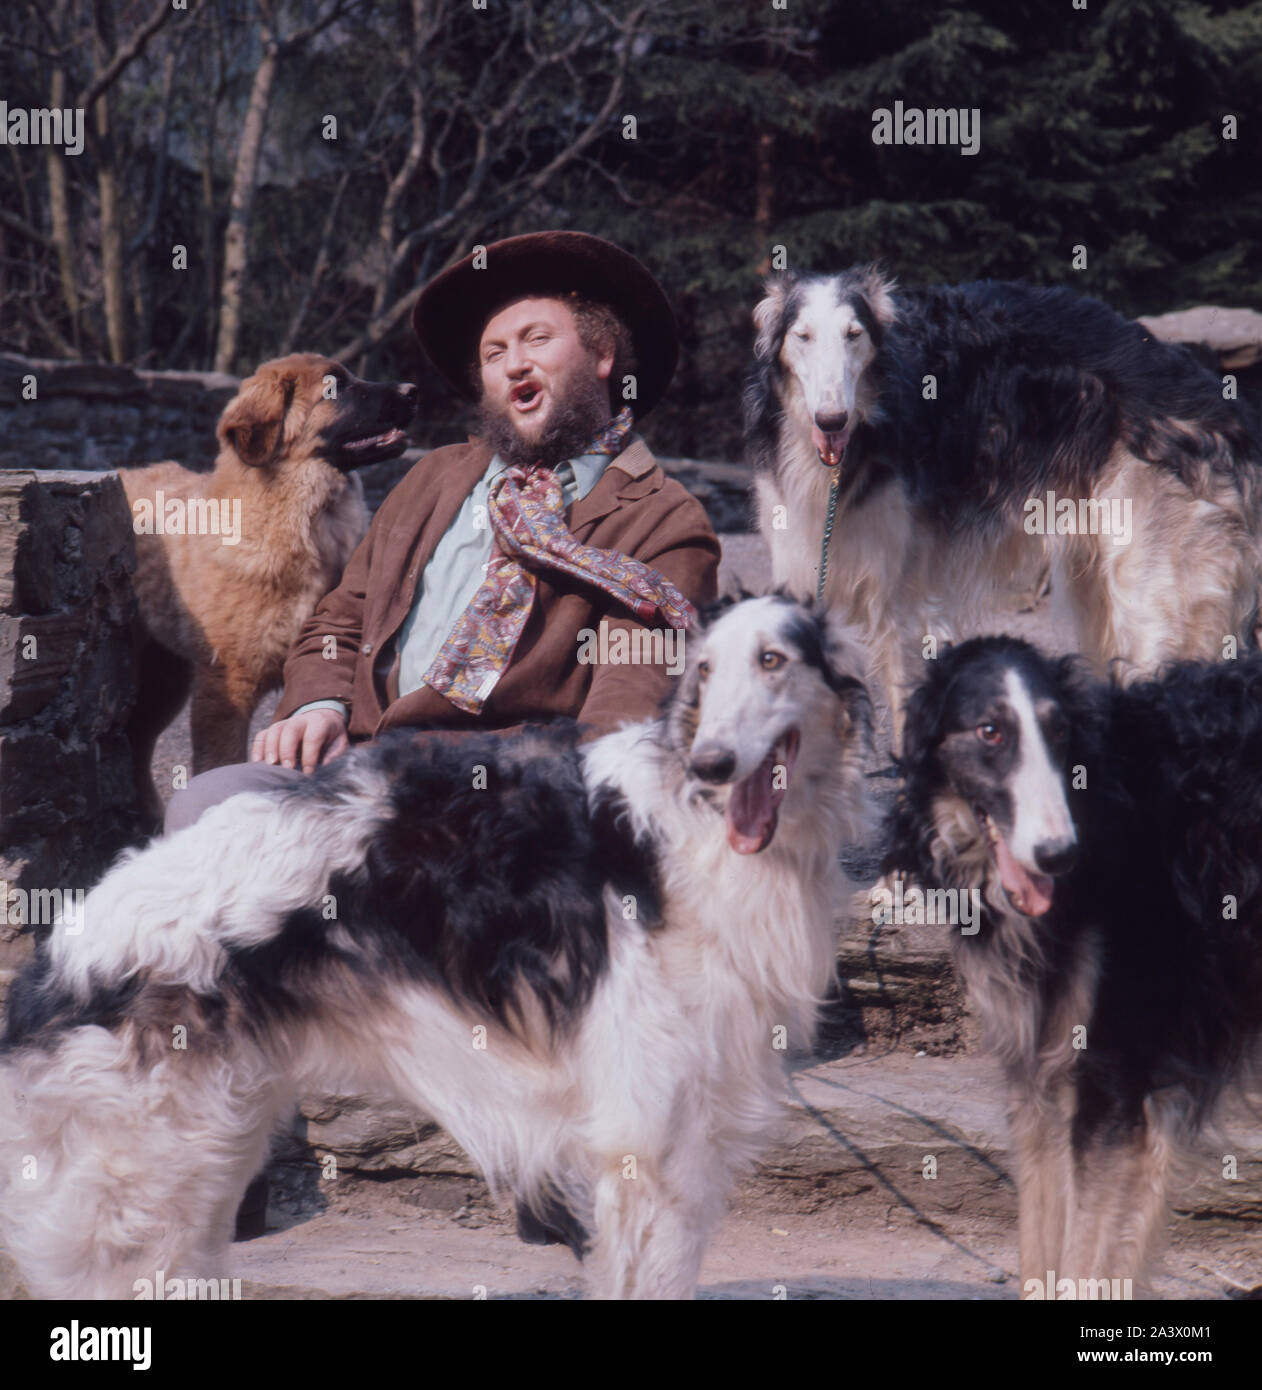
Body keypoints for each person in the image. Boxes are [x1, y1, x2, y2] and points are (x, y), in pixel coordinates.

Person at [165, 230, 720, 831]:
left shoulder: (661, 517)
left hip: (512, 796)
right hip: (361, 767)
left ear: (603, 354)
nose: (514, 364)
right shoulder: (435, 477)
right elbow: (340, 619)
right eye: (493, 353)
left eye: (537, 339)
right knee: (204, 810)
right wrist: (319, 705)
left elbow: (628, 713)